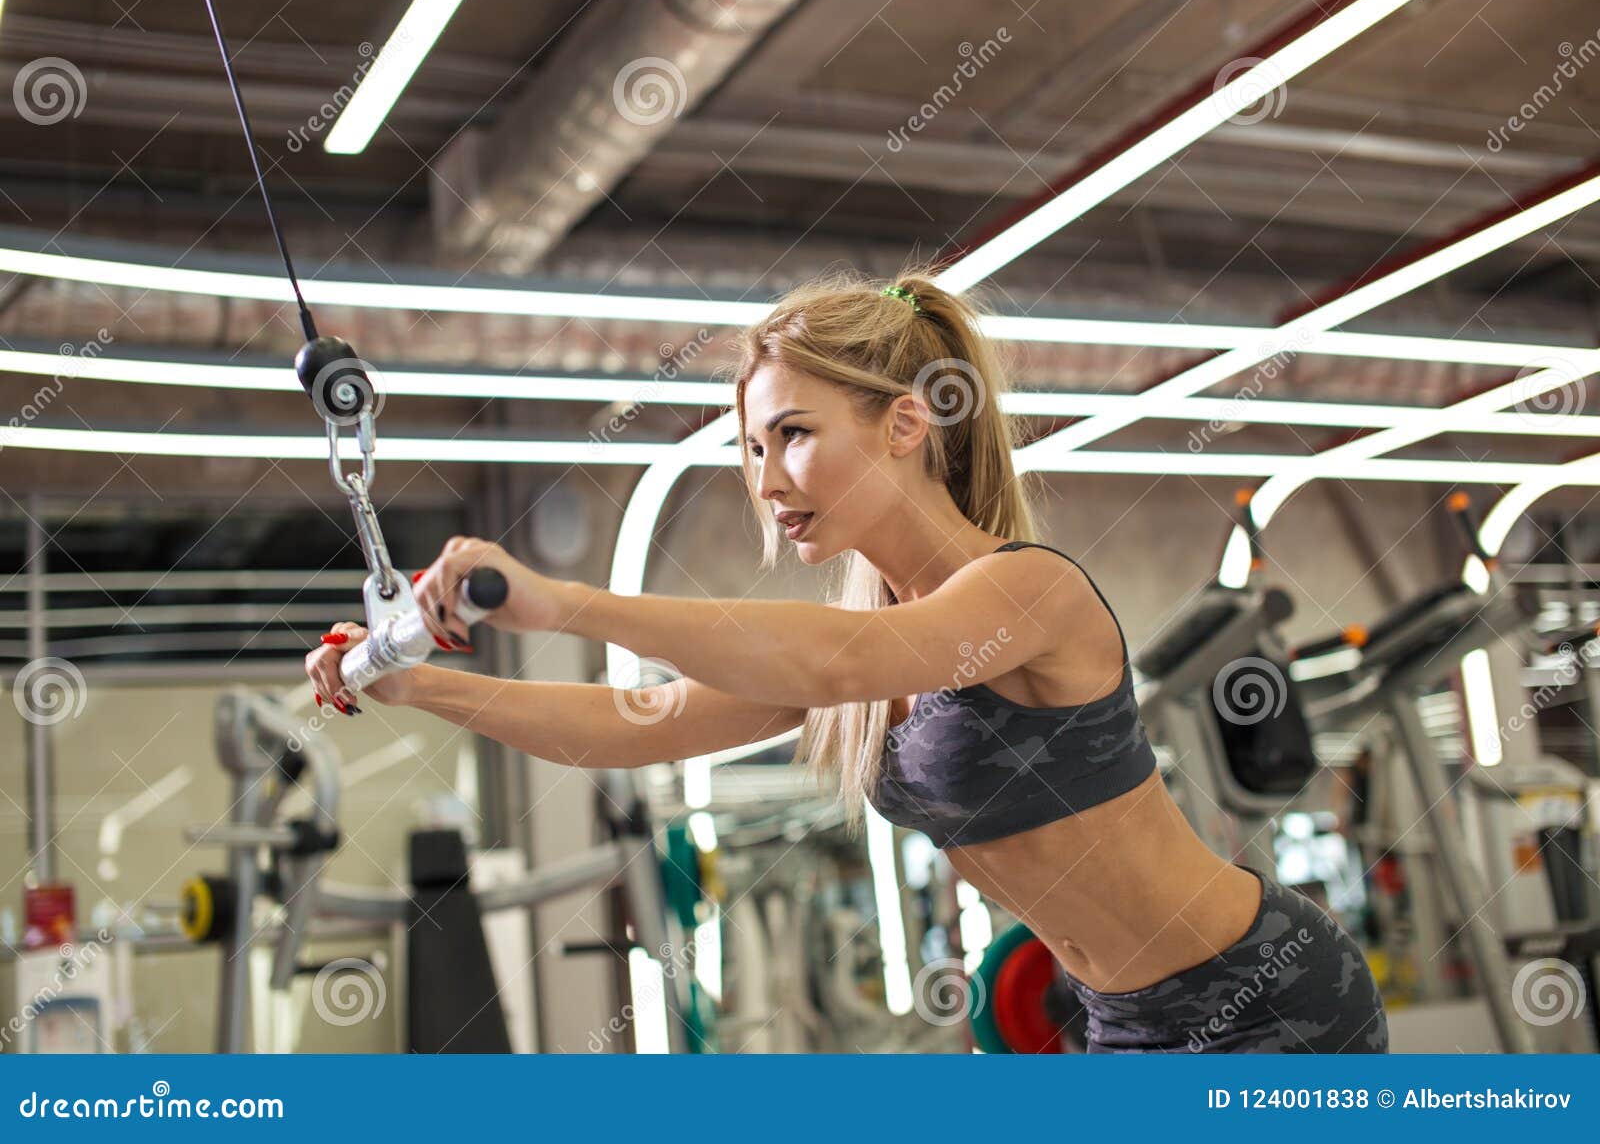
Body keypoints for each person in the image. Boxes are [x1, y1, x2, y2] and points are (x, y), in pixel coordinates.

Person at [304, 271, 1387, 1053]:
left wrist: (562, 599)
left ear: (906, 423)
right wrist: (416, 683)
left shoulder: (1026, 592)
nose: (766, 477)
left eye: (794, 434)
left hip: (1265, 997)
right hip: (1120, 1020)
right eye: (750, 447)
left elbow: (834, 660)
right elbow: (641, 722)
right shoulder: (878, 652)